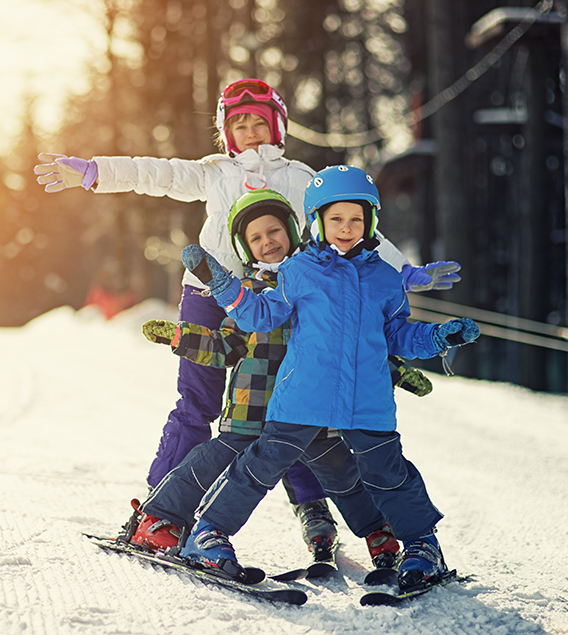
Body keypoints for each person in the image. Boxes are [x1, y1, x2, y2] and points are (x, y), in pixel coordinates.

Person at [33, 78, 460, 551]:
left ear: (276, 126)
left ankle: (313, 508)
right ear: (226, 133)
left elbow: (348, 222)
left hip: (279, 299)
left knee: (290, 409)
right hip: (209, 297)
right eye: (239, 124)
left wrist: (404, 272)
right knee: (197, 405)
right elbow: (156, 173)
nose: (251, 132)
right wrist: (95, 171)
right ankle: (160, 510)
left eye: (260, 122)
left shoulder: (300, 178)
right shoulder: (214, 172)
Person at [176, 165, 480, 592]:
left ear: (370, 222)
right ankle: (210, 534)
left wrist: (436, 336)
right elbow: (261, 315)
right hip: (302, 396)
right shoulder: (298, 271)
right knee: (259, 467)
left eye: (356, 219)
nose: (346, 227)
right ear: (317, 221)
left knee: (389, 475)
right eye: (336, 219)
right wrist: (224, 286)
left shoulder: (385, 279)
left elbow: (396, 334)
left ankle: (423, 546)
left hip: (367, 401)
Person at [130, 188, 428, 572]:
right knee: (211, 463)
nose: (267, 242)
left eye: (274, 231)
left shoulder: (320, 286)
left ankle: (378, 533)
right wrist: (180, 337)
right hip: (253, 410)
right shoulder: (246, 293)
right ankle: (161, 519)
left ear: (292, 231)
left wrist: (398, 372)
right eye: (255, 238)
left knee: (344, 477)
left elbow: (353, 349)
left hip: (312, 411)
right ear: (245, 248)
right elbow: (225, 348)